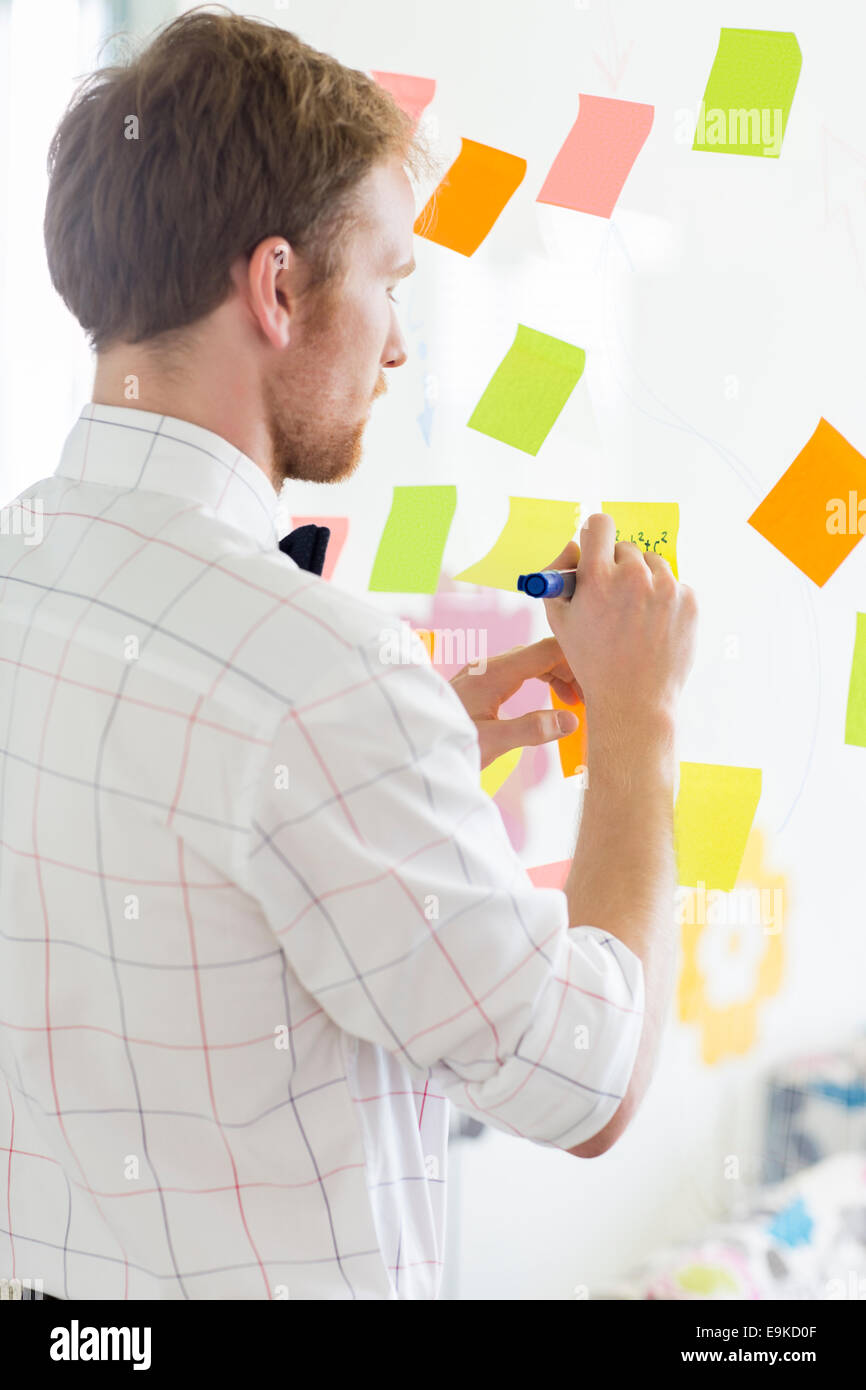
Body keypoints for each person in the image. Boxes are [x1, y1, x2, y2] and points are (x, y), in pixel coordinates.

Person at [0, 8, 698, 1300]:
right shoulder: (318, 676)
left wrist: (405, 742)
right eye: (388, 279)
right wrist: (642, 718)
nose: (394, 343)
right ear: (275, 287)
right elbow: (588, 1080)